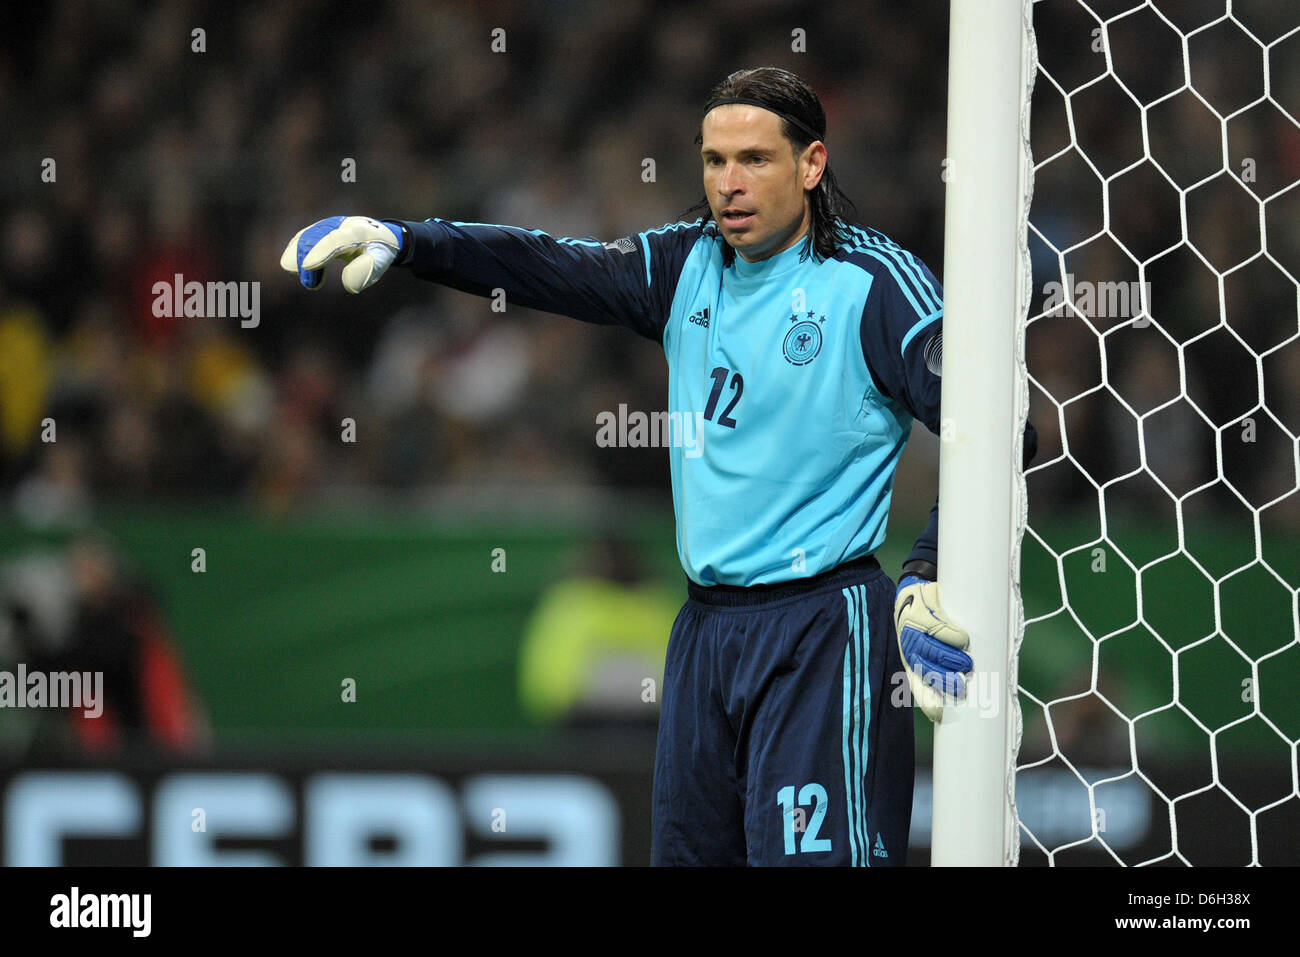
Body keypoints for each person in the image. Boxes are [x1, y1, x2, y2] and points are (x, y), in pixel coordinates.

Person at [282, 66, 982, 866]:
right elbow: (545, 264)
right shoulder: (684, 264)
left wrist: (925, 567)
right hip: (704, 637)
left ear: (812, 165)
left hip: (823, 632)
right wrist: (410, 241)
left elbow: (1000, 428)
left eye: (754, 159)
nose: (729, 183)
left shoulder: (873, 283)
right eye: (714, 160)